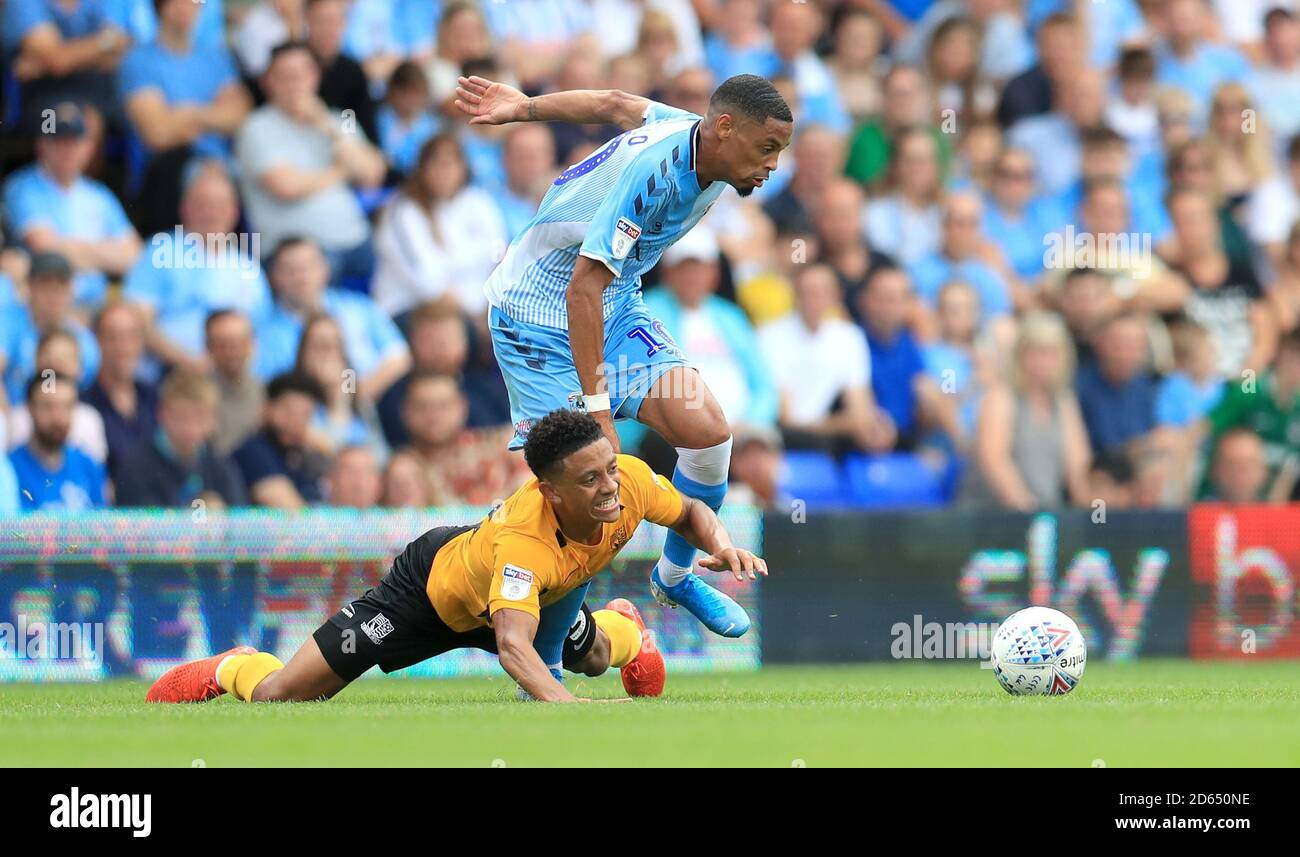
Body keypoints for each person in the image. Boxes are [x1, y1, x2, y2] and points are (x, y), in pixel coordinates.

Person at [454, 71, 792, 638]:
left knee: (707, 432)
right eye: (767, 148)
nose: (773, 165)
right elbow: (579, 287)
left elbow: (613, 101)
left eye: (780, 151)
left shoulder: (690, 131)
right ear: (727, 129)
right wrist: (600, 412)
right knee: (586, 486)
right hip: (536, 323)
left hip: (613, 308)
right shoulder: (655, 176)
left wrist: (526, 106)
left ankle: (676, 577)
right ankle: (545, 661)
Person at [145, 409, 765, 703]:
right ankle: (232, 668)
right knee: (286, 697)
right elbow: (515, 650)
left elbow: (691, 512)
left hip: (537, 596)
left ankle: (629, 630)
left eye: (608, 469)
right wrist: (571, 715)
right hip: (430, 594)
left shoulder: (627, 478)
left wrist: (721, 545)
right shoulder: (525, 542)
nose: (608, 487)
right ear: (549, 490)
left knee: (597, 656)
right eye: (589, 480)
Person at [236, 42, 386, 283]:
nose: (295, 83)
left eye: (302, 73)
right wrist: (342, 171)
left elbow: (373, 174)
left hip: (355, 240)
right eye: (285, 76)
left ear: (315, 75)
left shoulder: (340, 118)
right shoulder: (255, 126)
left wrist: (327, 126)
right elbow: (287, 188)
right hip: (296, 254)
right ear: (268, 82)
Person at [2, 102, 142, 310]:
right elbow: (48, 250)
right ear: (42, 144)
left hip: (98, 304)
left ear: (88, 147)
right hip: (47, 305)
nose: (66, 149)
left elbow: (135, 256)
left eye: (74, 141)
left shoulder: (99, 194)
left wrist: (75, 250)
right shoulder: (23, 187)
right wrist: (105, 253)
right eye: (58, 141)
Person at [961, 312, 1091, 510]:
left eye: (1052, 354)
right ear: (1020, 356)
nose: (1044, 362)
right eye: (1037, 353)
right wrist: (1028, 510)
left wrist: (1093, 515)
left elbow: (1078, 467)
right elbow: (994, 460)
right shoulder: (1001, 397)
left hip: (1045, 514)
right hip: (993, 516)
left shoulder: (1064, 401)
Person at [370, 135, 508, 318]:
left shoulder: (479, 201)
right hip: (409, 308)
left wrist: (484, 308)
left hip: (473, 309)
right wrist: (473, 313)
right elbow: (425, 279)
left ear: (463, 167)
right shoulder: (403, 210)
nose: (444, 172)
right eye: (436, 164)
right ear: (422, 169)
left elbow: (498, 255)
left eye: (450, 163)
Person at [113, 371, 247, 508]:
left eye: (199, 417)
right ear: (161, 414)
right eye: (181, 417)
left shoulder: (221, 465)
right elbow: (137, 522)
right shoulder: (136, 466)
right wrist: (197, 513)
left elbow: (238, 516)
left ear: (213, 420)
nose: (190, 427)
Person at [0, 251, 100, 406]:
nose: (53, 292)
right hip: (14, 414)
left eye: (61, 284)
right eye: (45, 283)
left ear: (71, 290)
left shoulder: (84, 340)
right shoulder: (8, 320)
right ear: (30, 285)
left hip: (61, 421)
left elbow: (81, 393)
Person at [232, 371, 331, 509]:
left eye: (305, 413)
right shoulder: (254, 451)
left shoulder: (305, 455)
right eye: (288, 410)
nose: (295, 420)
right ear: (267, 409)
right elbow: (292, 513)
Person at [82, 302, 158, 480]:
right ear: (96, 341)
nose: (123, 347)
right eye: (112, 337)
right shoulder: (83, 404)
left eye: (132, 337)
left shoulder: (156, 397)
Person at [9, 374, 108, 511]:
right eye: (48, 407)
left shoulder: (87, 464)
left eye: (66, 406)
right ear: (29, 408)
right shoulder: (10, 470)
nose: (58, 417)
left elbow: (103, 524)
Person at [205, 309, 265, 454]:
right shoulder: (196, 394)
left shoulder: (265, 391)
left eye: (240, 343)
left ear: (252, 345)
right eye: (223, 344)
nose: (233, 352)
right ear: (209, 348)